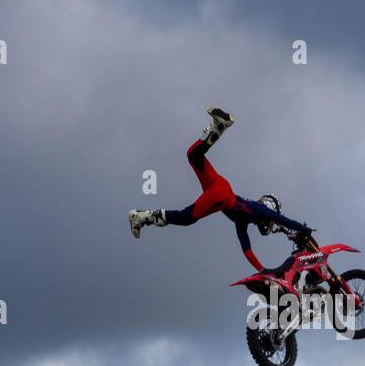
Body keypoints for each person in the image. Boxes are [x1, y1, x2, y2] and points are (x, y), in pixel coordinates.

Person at [127, 108, 312, 272]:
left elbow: (247, 249)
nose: (267, 226)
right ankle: (144, 217)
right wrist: (302, 228)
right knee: (186, 218)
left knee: (193, 155)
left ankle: (219, 125)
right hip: (221, 195)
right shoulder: (258, 210)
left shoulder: (244, 220)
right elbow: (280, 219)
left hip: (218, 186)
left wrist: (262, 270)